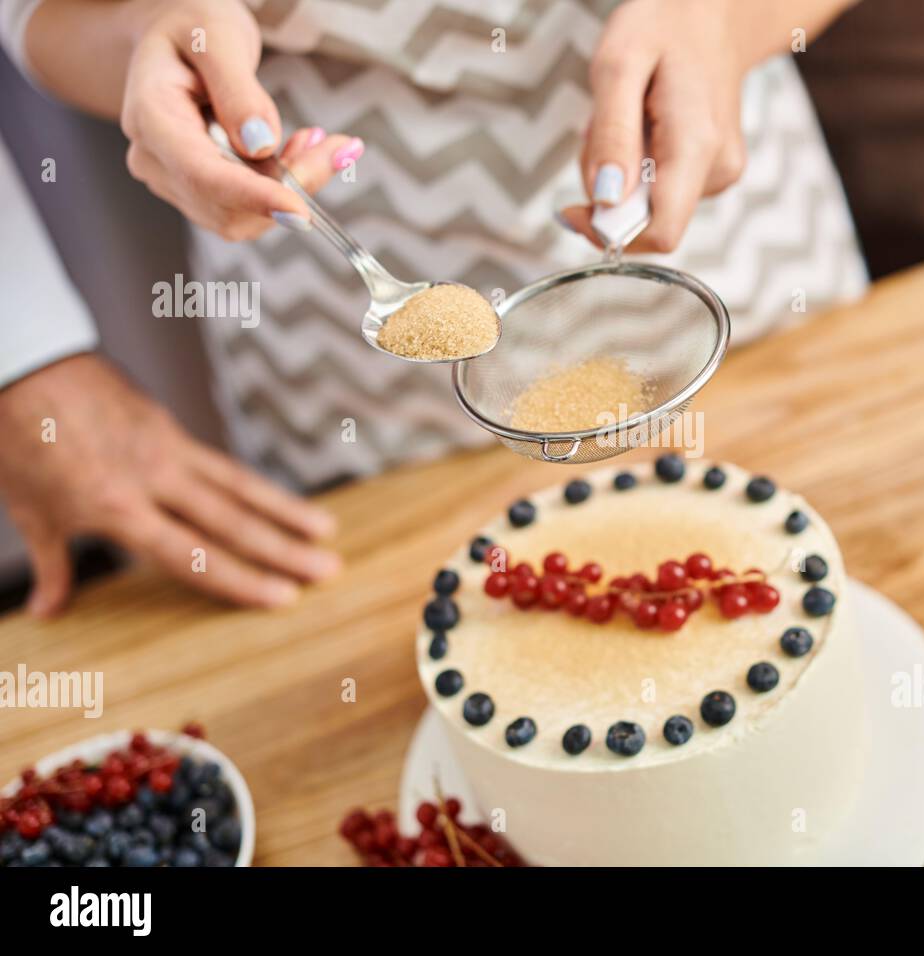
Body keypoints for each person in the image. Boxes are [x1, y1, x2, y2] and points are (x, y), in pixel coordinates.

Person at [0, 0, 867, 615]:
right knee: (469, 619)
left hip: (728, 231)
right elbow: (43, 16)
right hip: (342, 329)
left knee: (804, 576)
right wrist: (151, 41)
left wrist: (730, 15)